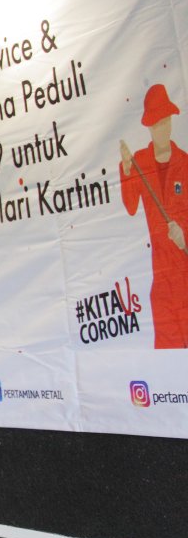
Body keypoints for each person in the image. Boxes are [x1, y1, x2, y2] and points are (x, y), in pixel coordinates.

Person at [119, 83, 188, 348]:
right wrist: (127, 169)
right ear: (149, 126)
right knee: (169, 352)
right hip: (161, 278)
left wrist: (184, 236)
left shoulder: (185, 163)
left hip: (184, 269)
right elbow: (130, 206)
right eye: (158, 124)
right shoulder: (141, 162)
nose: (164, 128)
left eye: (167, 121)